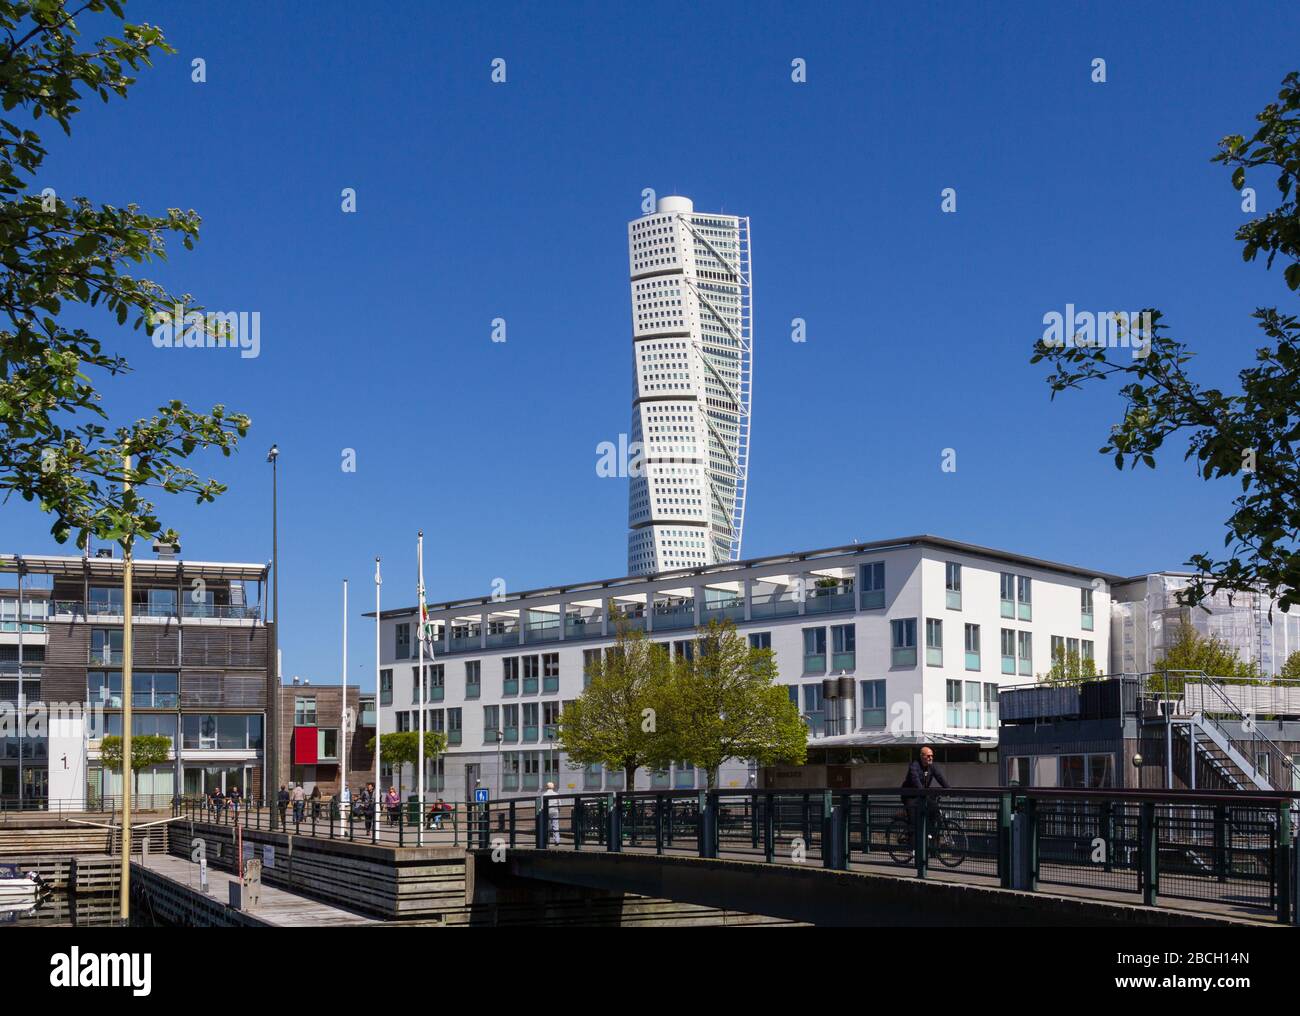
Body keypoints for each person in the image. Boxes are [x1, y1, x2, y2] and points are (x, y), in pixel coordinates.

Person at [900, 746, 949, 845]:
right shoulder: (914, 766)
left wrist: (949, 790)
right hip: (910, 795)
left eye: (932, 756)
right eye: (928, 756)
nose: (930, 758)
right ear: (922, 756)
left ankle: (930, 835)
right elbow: (915, 780)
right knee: (913, 819)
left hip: (922, 794)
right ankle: (912, 845)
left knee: (935, 811)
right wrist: (922, 792)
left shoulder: (932, 766)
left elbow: (940, 777)